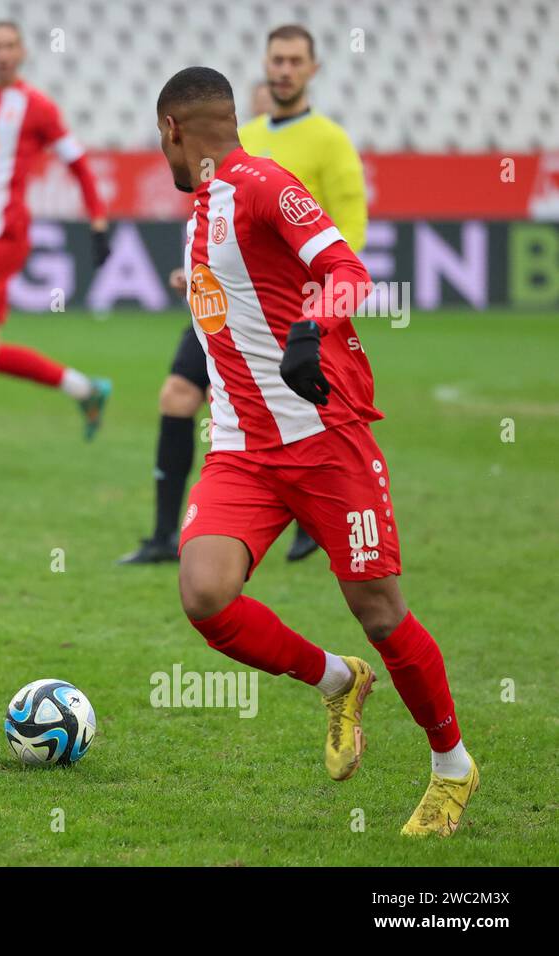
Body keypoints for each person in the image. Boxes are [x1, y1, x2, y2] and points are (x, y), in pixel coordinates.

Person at [156, 66, 477, 836]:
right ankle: (338, 681)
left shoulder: (265, 185)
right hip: (241, 450)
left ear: (171, 129)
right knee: (204, 592)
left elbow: (347, 270)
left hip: (324, 442)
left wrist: (310, 329)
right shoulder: (200, 213)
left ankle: (452, 766)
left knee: (379, 610)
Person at [121, 25, 368, 565]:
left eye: (294, 60)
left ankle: (311, 518)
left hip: (291, 311)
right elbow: (225, 220)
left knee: (288, 415)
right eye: (275, 58)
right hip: (225, 305)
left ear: (312, 68)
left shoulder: (329, 141)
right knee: (178, 398)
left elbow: (344, 239)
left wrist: (311, 301)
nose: (283, 69)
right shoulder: (238, 131)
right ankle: (166, 533)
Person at [0, 20, 113, 461]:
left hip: (2, 235)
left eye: (10, 46)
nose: (2, 53)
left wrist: (98, 221)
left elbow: (80, 165)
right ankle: (84, 388)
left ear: (23, 52)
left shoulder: (37, 107)